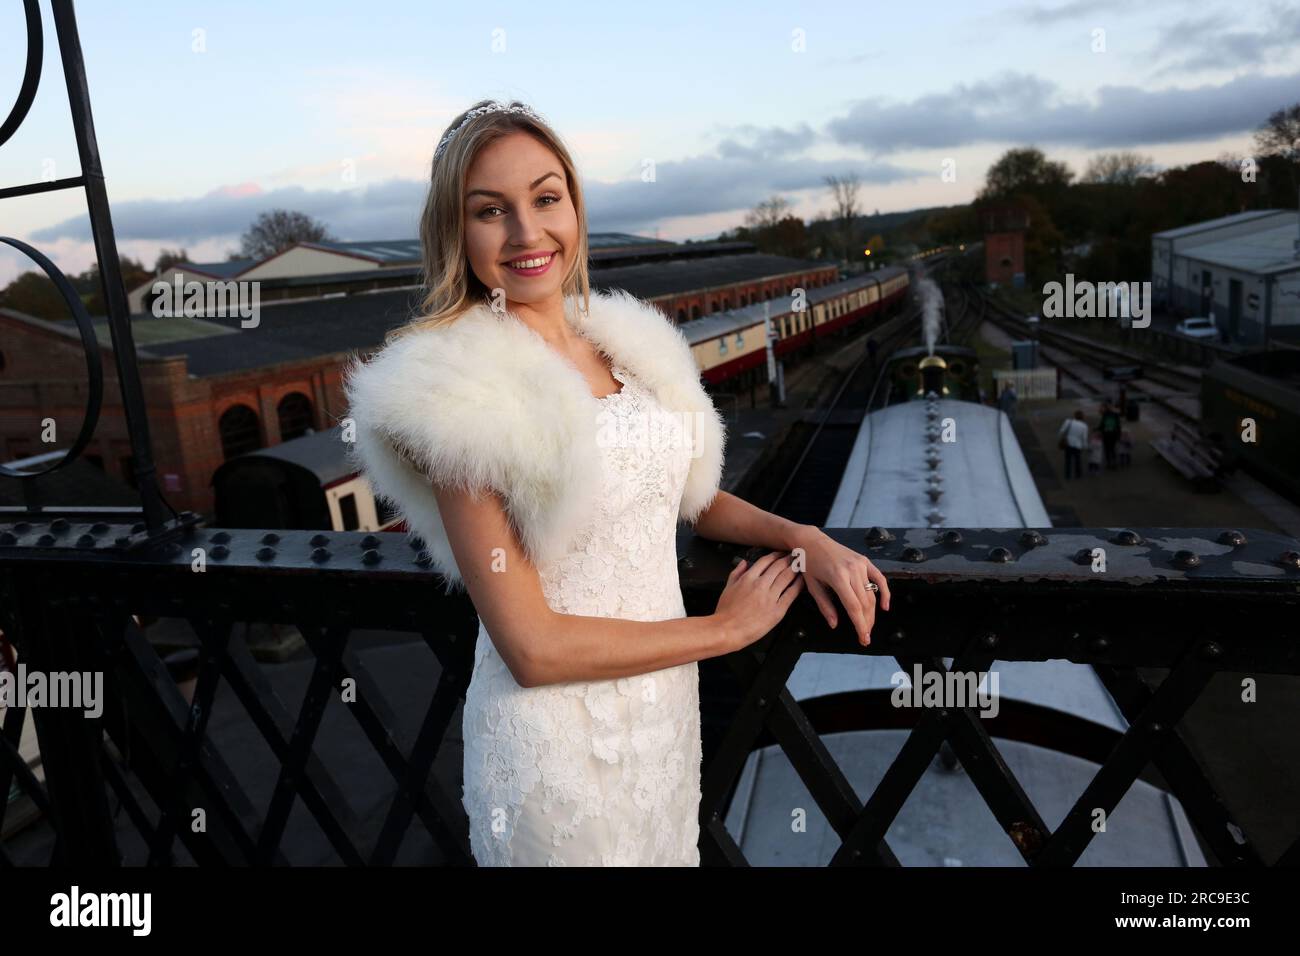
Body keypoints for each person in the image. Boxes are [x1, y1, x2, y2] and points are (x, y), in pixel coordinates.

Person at [343, 100, 891, 867]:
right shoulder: (457, 391)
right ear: (454, 232)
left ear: (575, 204)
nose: (528, 234)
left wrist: (803, 537)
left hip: (662, 717)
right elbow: (531, 647)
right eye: (490, 211)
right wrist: (726, 632)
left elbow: (685, 494)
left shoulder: (627, 346)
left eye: (545, 197)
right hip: (554, 748)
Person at [1057, 410, 1089, 479]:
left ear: (1074, 415)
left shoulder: (1068, 422)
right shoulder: (1084, 426)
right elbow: (1084, 438)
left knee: (1068, 460)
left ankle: (1067, 475)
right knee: (1078, 460)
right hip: (1078, 445)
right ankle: (1078, 474)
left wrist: (1059, 437)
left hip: (1068, 443)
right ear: (1082, 417)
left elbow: (1062, 431)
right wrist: (1085, 447)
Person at [1099, 400, 1122, 469]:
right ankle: (1113, 463)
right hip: (1113, 434)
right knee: (1112, 449)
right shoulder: (1115, 414)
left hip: (1107, 434)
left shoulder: (1105, 415)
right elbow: (1118, 425)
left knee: (1107, 449)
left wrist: (1098, 430)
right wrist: (1119, 435)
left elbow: (1102, 425)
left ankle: (1109, 463)